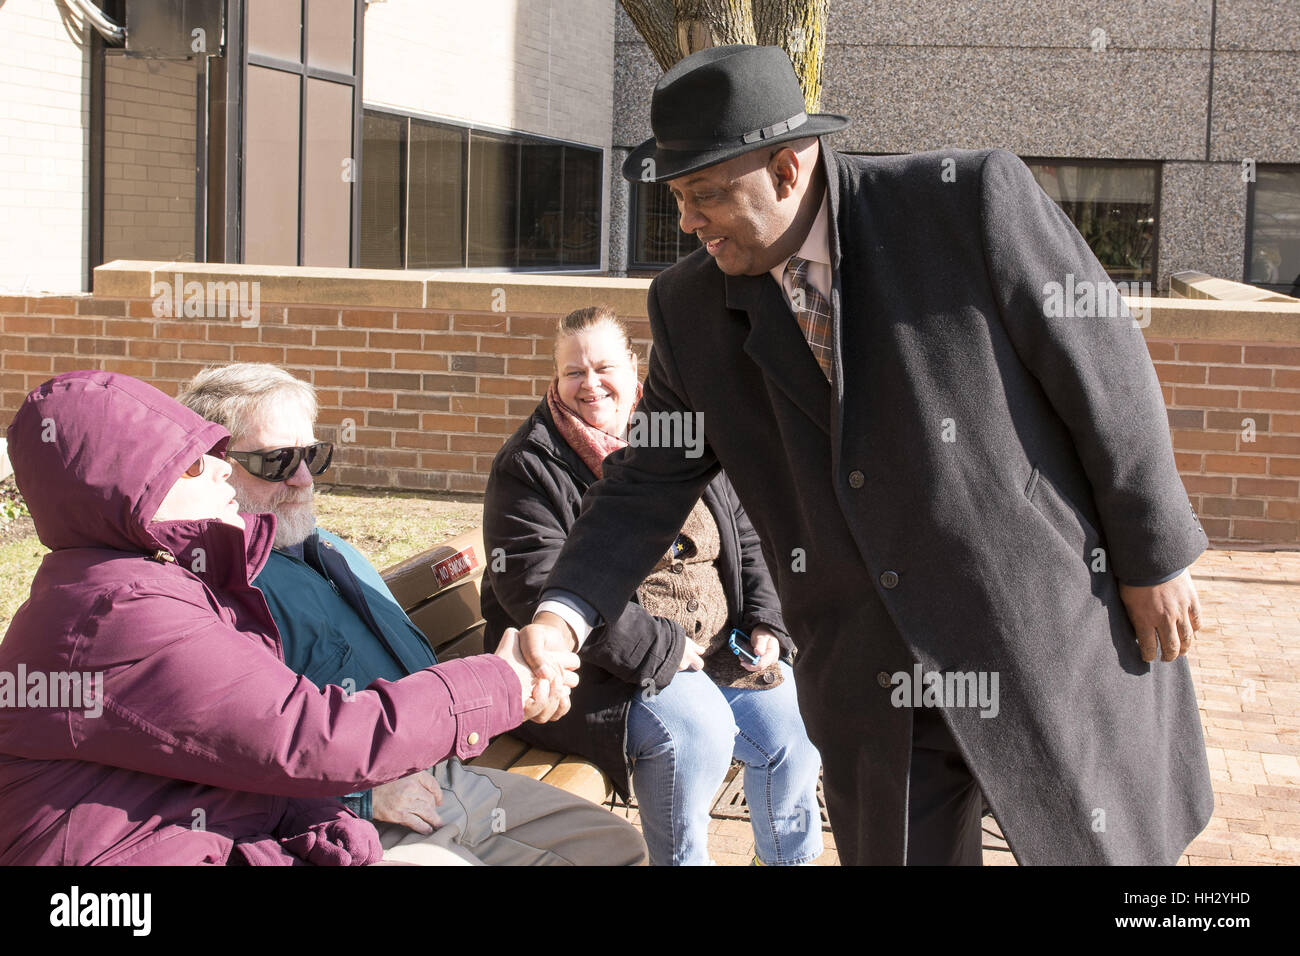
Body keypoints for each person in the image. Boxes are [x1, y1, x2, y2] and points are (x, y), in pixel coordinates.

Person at [513, 45, 1214, 865]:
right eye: (677, 199)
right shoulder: (687, 308)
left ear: (786, 167)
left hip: (1036, 632)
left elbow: (1107, 372)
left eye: (705, 195)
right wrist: (563, 613)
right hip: (872, 682)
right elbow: (644, 483)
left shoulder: (963, 204)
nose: (689, 223)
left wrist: (1153, 556)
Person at [0, 370, 580, 865]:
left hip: (367, 785)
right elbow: (305, 736)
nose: (301, 476)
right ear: (131, 493)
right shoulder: (125, 611)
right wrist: (500, 683)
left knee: (607, 844)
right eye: (197, 465)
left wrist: (327, 823)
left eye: (312, 455)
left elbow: (239, 743)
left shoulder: (172, 578)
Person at [176, 363, 646, 866]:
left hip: (448, 777)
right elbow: (224, 753)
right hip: (349, 822)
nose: (304, 479)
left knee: (617, 849)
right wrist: (360, 797)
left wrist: (512, 692)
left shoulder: (328, 549)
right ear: (214, 465)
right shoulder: (209, 590)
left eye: (311, 454)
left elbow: (420, 684)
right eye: (276, 462)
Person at [479, 306, 823, 865]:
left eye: (604, 366)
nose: (590, 384)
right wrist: (660, 648)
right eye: (573, 371)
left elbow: (745, 531)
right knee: (699, 729)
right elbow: (533, 585)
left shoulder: (674, 432)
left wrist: (764, 617)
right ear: (554, 378)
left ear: (635, 368)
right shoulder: (528, 464)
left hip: (716, 648)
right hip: (599, 671)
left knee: (793, 717)